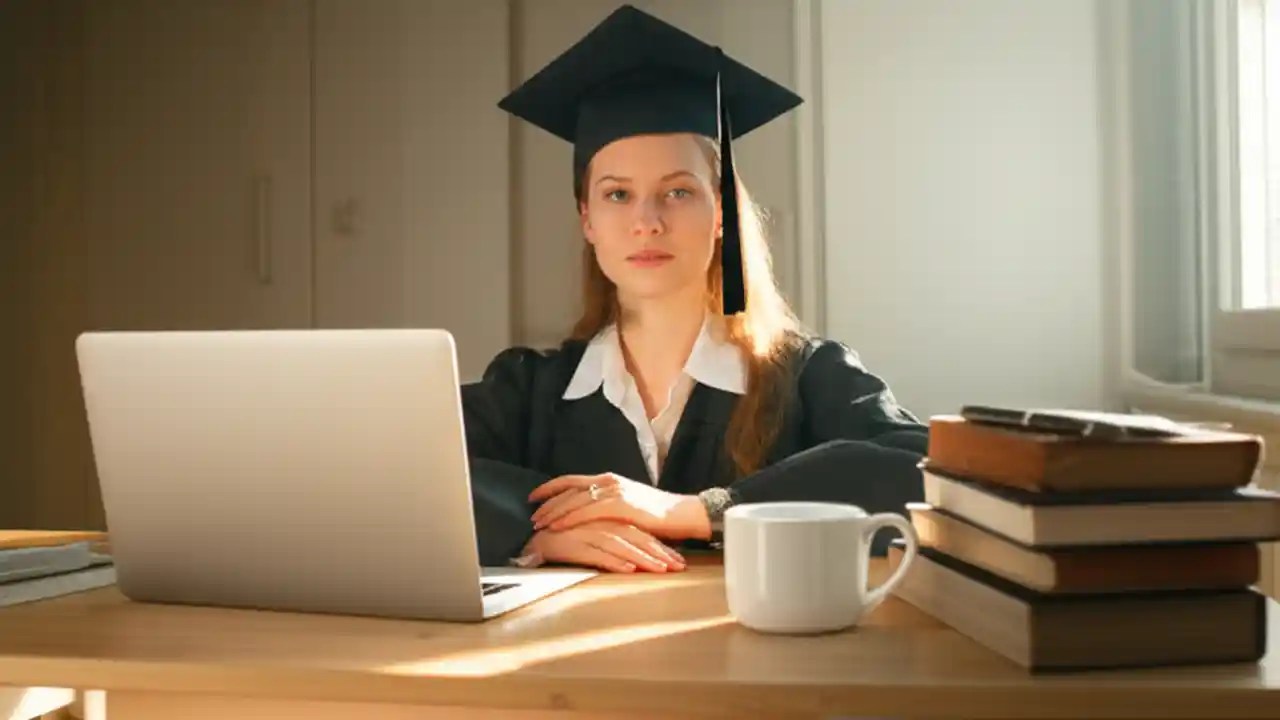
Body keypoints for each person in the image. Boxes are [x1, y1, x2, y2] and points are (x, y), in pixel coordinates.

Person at [463, 4, 927, 573]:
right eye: (616, 194)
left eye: (678, 191)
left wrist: (700, 510)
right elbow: (395, 474)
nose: (647, 221)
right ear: (586, 218)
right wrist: (534, 537)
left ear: (721, 213)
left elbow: (925, 471)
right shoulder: (528, 393)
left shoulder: (807, 378)